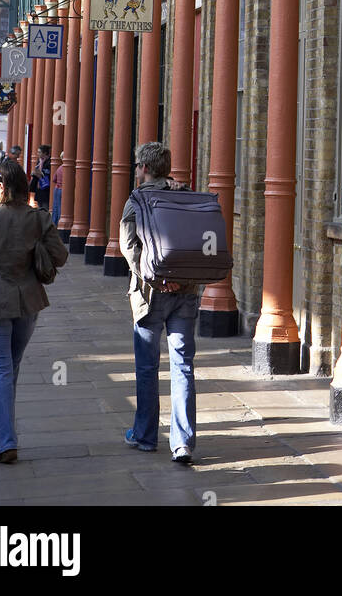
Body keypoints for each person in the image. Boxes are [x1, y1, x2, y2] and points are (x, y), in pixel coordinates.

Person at [0, 158, 68, 463]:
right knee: (9, 370)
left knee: (1, 371)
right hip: (27, 303)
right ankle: (1, 435)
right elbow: (60, 257)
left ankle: (5, 440)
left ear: (2, 186)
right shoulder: (39, 218)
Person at [120, 142, 198, 463]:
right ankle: (182, 443)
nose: (137, 171)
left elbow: (129, 248)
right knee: (183, 366)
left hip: (150, 296)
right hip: (186, 293)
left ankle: (146, 436)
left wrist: (156, 277)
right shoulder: (188, 195)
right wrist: (181, 278)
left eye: (138, 166)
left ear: (145, 168)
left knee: (148, 366)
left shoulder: (136, 200)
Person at [29, 146, 52, 212]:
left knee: (45, 207)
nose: (38, 154)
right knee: (39, 206)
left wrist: (40, 174)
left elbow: (48, 174)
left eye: (39, 152)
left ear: (44, 153)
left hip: (46, 188)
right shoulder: (39, 162)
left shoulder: (49, 162)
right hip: (39, 188)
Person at [51, 153, 63, 224]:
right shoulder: (67, 169)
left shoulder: (59, 168)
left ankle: (54, 223)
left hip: (57, 189)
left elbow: (54, 179)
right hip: (63, 189)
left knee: (55, 207)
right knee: (60, 208)